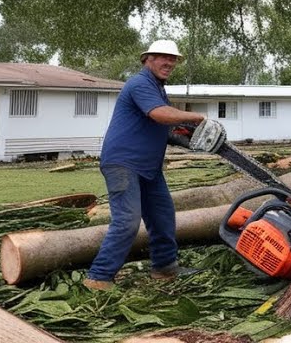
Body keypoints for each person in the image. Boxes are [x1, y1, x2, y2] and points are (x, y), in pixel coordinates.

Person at [84, 39, 223, 290]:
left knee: (162, 216)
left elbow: (164, 126)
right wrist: (198, 117)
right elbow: (159, 114)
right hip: (124, 163)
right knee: (127, 221)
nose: (169, 63)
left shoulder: (158, 89)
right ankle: (98, 277)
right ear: (147, 59)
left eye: (173, 59)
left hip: (148, 167)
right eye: (163, 57)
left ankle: (165, 268)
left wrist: (188, 138)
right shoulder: (140, 83)